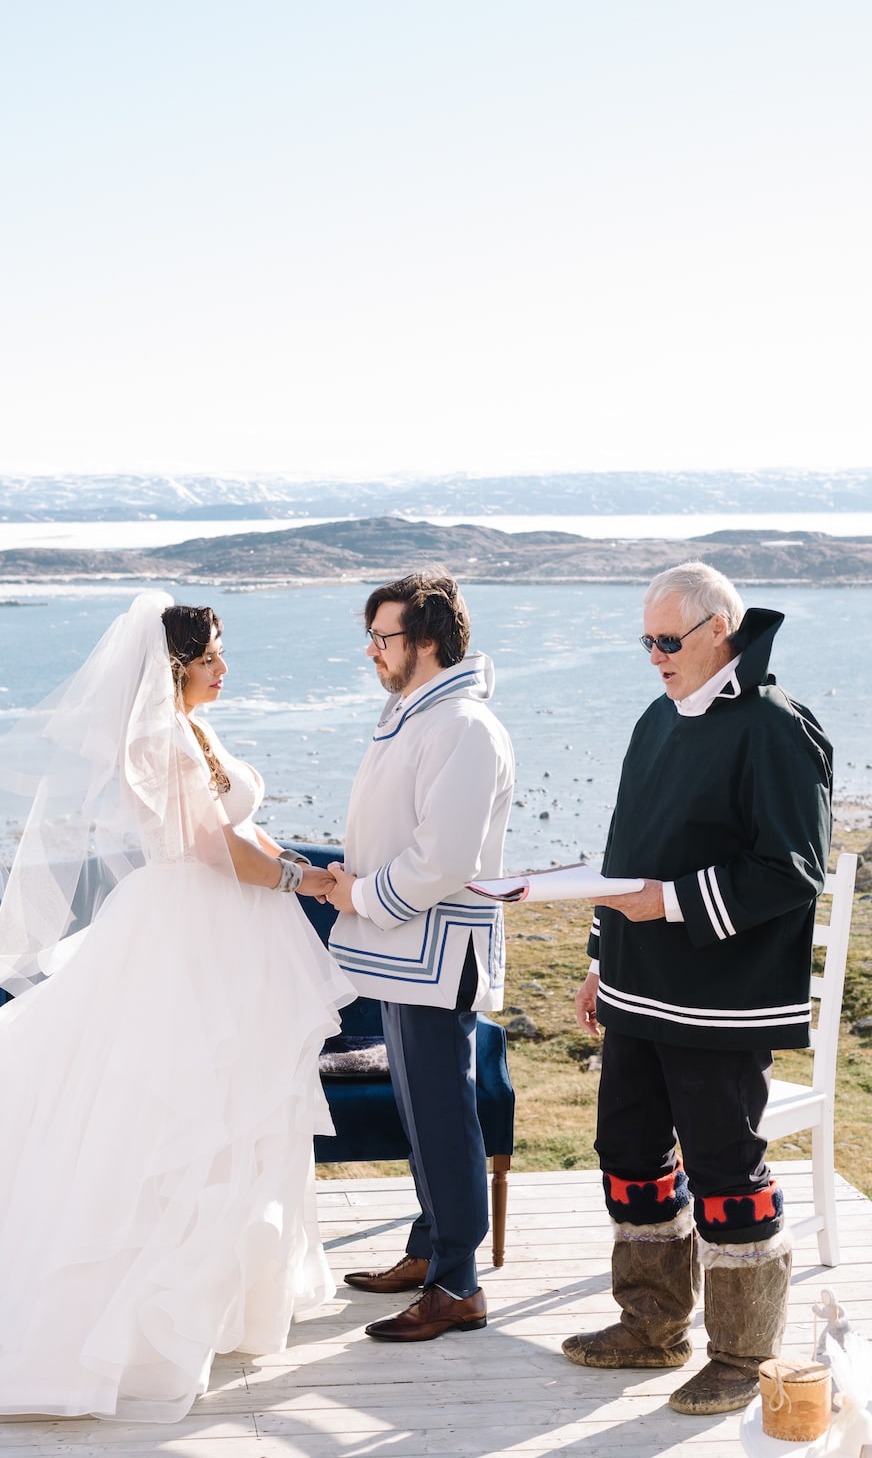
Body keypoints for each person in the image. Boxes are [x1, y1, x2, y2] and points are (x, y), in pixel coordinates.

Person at [0, 591, 353, 1422]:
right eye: (211, 658)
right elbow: (211, 850)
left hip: (226, 931)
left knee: (231, 1109)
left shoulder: (192, 727)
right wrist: (305, 880)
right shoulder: (156, 737)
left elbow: (239, 827)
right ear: (173, 668)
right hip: (187, 931)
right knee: (174, 1111)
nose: (225, 669)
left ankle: (220, 1302)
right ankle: (136, 1319)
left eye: (221, 654)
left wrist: (300, 865)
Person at [563, 561, 832, 1416]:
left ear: (721, 629)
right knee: (632, 1157)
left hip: (721, 997)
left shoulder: (778, 728)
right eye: (645, 640)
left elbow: (792, 868)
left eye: (667, 641)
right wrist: (604, 956)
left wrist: (671, 902)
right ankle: (651, 1326)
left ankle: (746, 1354)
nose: (653, 657)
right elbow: (625, 845)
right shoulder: (657, 718)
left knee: (725, 1169)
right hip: (639, 988)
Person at [325, 571, 515, 1342]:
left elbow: (442, 860)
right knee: (418, 1111)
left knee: (443, 1117)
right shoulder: (413, 714)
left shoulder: (464, 726)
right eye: (370, 636)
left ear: (427, 641)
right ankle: (427, 1246)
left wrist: (361, 896)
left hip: (438, 950)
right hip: (403, 952)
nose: (372, 651)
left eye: (385, 637)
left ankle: (457, 1283)